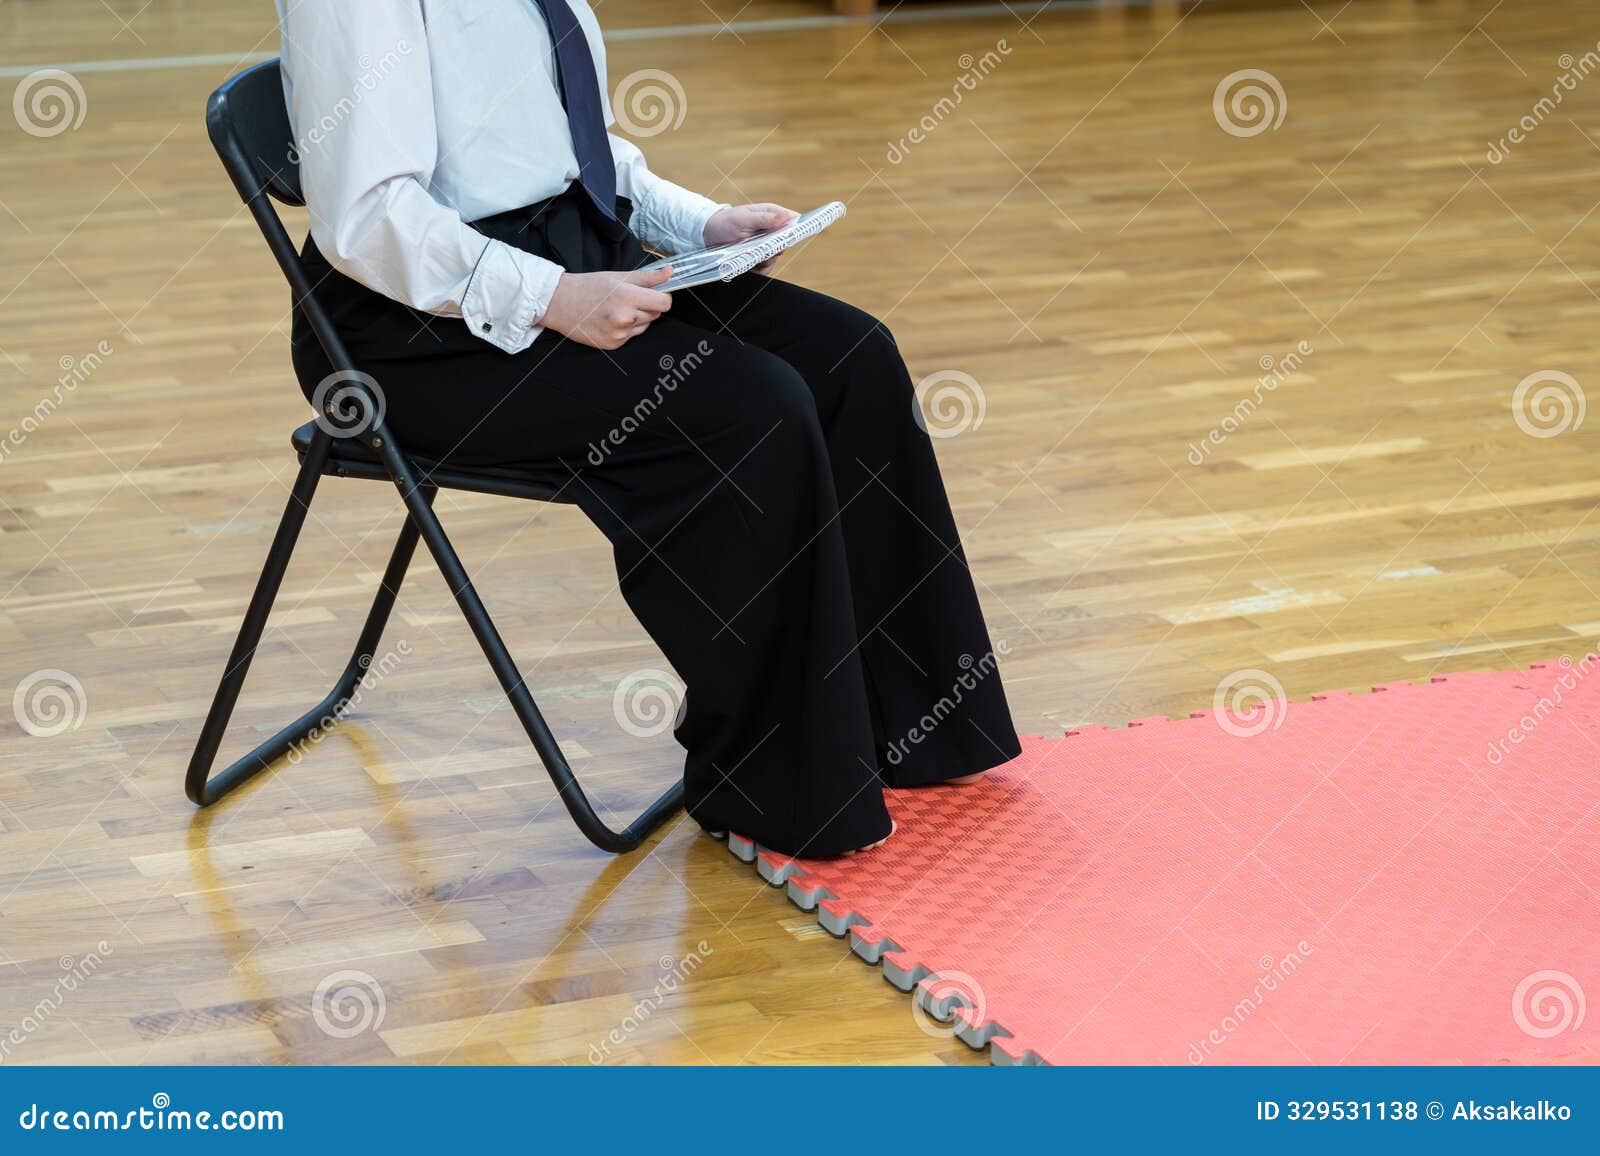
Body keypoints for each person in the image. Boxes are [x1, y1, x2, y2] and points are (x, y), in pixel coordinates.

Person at [274, 0, 1020, 857]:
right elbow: (365, 218)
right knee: (752, 408)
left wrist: (702, 224)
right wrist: (551, 299)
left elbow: (572, 154)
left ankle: (915, 723)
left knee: (850, 358)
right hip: (403, 335)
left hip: (561, 259)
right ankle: (777, 779)